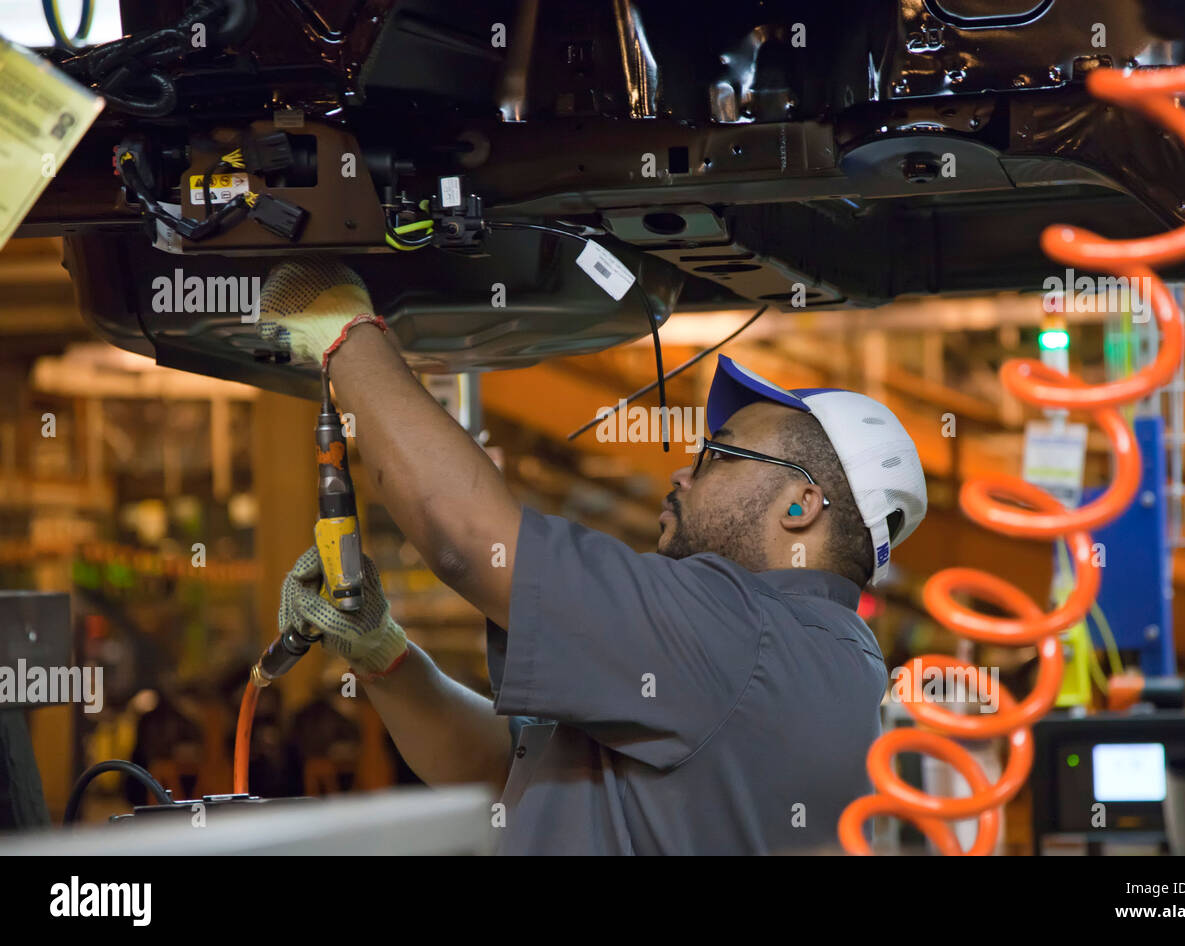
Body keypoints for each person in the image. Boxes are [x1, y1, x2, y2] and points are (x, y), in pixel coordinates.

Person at [266, 257, 927, 854]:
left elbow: (465, 537)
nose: (680, 476)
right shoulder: (838, 656)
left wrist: (344, 333)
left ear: (800, 506)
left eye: (717, 457)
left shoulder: (740, 631)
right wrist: (382, 654)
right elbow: (510, 773)